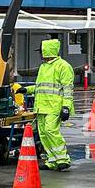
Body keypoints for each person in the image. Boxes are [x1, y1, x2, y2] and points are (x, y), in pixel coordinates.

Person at [31, 37, 75, 172]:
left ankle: (63, 159)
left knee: (51, 131)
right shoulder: (43, 67)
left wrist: (66, 107)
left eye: (42, 51)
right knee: (43, 133)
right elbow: (40, 87)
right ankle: (52, 160)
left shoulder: (63, 66)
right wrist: (26, 89)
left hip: (54, 106)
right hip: (41, 106)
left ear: (47, 51)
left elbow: (68, 89)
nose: (40, 54)